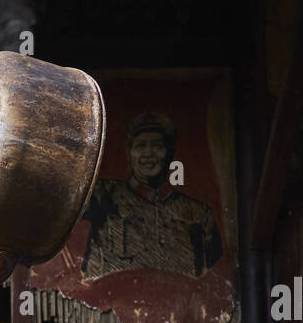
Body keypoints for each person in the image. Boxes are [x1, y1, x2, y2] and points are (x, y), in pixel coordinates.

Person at [81, 110, 223, 280]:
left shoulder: (198, 213)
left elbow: (214, 273)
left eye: (158, 146)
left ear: (169, 153)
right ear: (129, 152)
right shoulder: (103, 195)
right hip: (107, 303)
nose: (149, 154)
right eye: (141, 146)